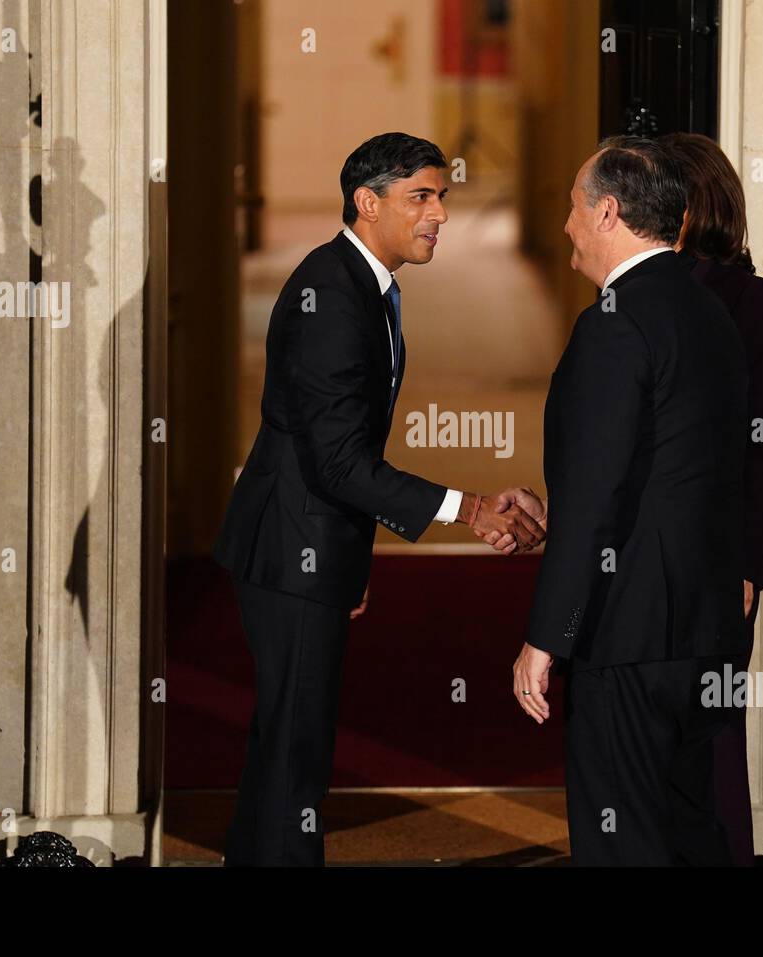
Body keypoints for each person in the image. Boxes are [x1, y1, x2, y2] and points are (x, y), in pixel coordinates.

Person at [212, 132, 546, 866]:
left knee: (287, 746)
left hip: (313, 540)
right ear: (368, 202)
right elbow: (338, 460)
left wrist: (351, 552)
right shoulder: (332, 296)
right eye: (420, 197)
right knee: (296, 755)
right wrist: (472, 508)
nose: (440, 215)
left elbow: (343, 455)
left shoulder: (358, 283)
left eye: (443, 197)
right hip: (289, 544)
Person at [510, 136, 749, 865]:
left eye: (575, 209)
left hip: (628, 637)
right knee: (688, 832)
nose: (566, 227)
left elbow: (595, 498)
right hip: (704, 633)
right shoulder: (710, 309)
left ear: (608, 211)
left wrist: (545, 636)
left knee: (626, 844)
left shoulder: (614, 321)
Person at [658, 131, 763, 867]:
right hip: (651, 556)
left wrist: (742, 561)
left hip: (720, 556)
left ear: (689, 204)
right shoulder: (636, 289)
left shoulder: (750, 297)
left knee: (713, 730)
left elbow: (760, 441)